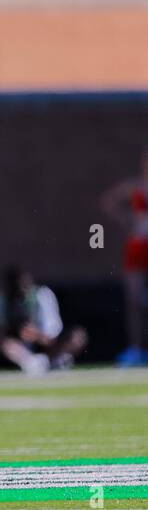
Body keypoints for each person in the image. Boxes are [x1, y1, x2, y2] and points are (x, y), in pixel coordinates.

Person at [0, 266, 87, 374]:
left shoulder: (43, 296)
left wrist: (36, 335)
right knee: (0, 341)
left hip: (42, 348)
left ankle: (46, 362)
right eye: (14, 291)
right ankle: (30, 363)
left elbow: (53, 335)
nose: (19, 297)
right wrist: (4, 333)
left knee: (77, 336)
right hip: (9, 352)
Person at [100, 149, 148, 365]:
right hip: (138, 246)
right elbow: (108, 201)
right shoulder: (135, 186)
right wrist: (128, 220)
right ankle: (136, 349)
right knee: (134, 299)